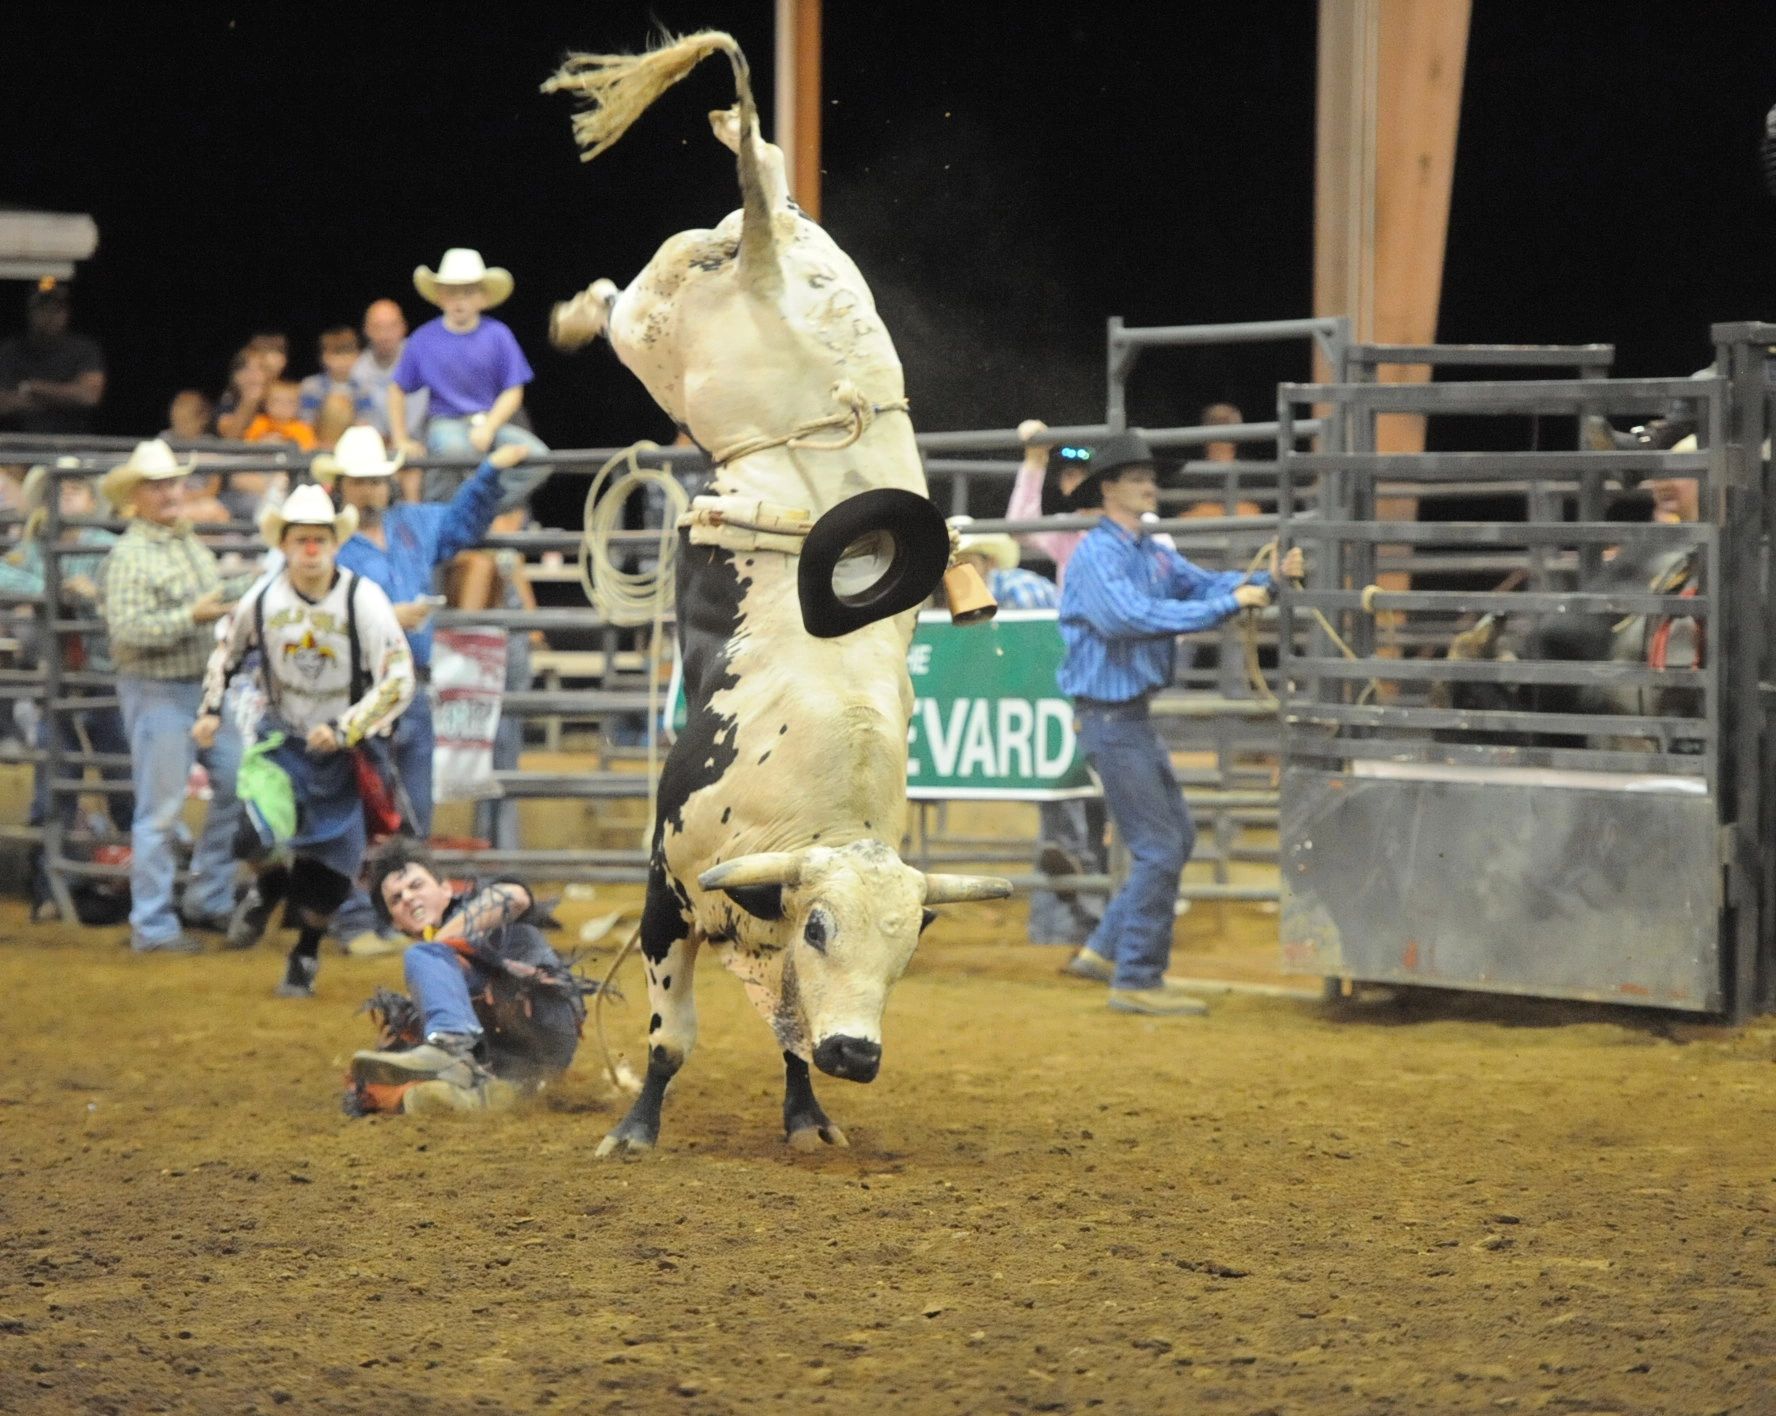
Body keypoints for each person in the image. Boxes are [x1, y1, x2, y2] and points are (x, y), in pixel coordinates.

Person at [1055, 431, 1301, 1016]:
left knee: (1172, 840)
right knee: (1161, 846)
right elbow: (1128, 618)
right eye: (1138, 478)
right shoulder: (1101, 554)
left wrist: (1265, 582)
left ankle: (1104, 951)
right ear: (1110, 488)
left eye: (1151, 477)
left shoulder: (1148, 550)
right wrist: (1233, 601)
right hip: (1112, 720)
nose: (1150, 485)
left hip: (1124, 719)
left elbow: (1203, 585)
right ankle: (1137, 979)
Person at [194, 483, 415, 996]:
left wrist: (346, 728)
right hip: (283, 741)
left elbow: (400, 676)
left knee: (331, 871)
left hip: (344, 753)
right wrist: (209, 708)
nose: (311, 550)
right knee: (251, 834)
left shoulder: (364, 599)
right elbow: (226, 650)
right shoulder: (264, 597)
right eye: (301, 540)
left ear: (335, 544)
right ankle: (270, 882)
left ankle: (305, 954)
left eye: (320, 539)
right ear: (284, 544)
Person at [312, 426, 531, 944]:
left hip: (410, 688)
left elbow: (462, 522)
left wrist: (491, 472)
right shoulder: (330, 543)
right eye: (360, 480)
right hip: (358, 690)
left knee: (413, 810)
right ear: (342, 485)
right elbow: (320, 613)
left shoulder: (411, 525)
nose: (370, 489)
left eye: (377, 479)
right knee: (358, 805)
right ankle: (356, 919)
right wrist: (390, 617)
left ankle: (396, 918)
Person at [98, 439, 255, 953]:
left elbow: (204, 603)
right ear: (136, 495)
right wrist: (192, 617)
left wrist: (248, 587)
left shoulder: (186, 542)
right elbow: (126, 630)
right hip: (157, 689)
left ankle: (206, 898)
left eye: (172, 482)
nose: (169, 492)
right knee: (161, 811)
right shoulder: (129, 556)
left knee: (239, 784)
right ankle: (152, 923)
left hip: (200, 688)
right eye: (157, 484)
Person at [342, 837, 587, 1113]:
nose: (408, 898)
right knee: (386, 1074)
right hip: (521, 1059)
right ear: (396, 923)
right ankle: (486, 1094)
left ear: (446, 888)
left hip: (543, 1016)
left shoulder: (474, 908)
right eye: (396, 899)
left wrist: (438, 943)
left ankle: (451, 1048)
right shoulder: (433, 974)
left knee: (423, 957)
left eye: (416, 885)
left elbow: (515, 896)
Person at [949, 518, 1101, 950]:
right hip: (1029, 718)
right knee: (1065, 821)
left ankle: (1080, 924)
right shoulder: (961, 596)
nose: (956, 568)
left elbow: (1052, 651)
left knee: (1067, 820)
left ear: (984, 559)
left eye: (962, 559)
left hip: (1060, 710)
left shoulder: (1021, 592)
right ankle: (1064, 925)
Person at [0, 462, 130, 918]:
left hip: (101, 679)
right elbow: (4, 574)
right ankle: (48, 890)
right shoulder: (34, 548)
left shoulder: (110, 549)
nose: (67, 498)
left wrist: (91, 595)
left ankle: (136, 883)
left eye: (76, 489)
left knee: (123, 782)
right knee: (52, 790)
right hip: (60, 684)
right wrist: (57, 590)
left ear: (91, 499)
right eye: (59, 491)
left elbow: (124, 597)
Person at [388, 248, 549, 510]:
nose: (459, 300)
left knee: (539, 459)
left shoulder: (499, 335)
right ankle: (454, 514)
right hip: (446, 423)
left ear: (482, 297)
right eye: (452, 292)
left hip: (488, 422)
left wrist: (489, 426)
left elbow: (513, 390)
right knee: (456, 451)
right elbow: (397, 389)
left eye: (468, 292)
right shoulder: (423, 339)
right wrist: (401, 438)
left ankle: (477, 509)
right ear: (440, 296)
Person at [0, 284, 105, 435]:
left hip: (73, 444)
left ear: (67, 313)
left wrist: (31, 387)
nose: (49, 317)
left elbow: (88, 396)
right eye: (42, 309)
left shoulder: (84, 349)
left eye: (56, 310)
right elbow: (2, 404)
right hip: (17, 445)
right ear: (30, 312)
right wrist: (65, 399)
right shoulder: (8, 351)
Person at [352, 299, 428, 442]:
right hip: (378, 443)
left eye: (391, 326)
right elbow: (362, 416)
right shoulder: (358, 370)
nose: (384, 335)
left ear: (403, 327)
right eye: (377, 327)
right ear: (366, 329)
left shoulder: (422, 358)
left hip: (422, 441)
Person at [298, 327, 374, 447]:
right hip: (316, 445)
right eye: (336, 355)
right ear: (324, 357)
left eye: (348, 354)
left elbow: (364, 423)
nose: (342, 361)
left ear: (357, 356)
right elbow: (305, 422)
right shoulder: (311, 386)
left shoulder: (362, 388)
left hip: (350, 447)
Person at [242, 380, 316, 451]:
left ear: (298, 406)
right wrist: (262, 442)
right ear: (266, 404)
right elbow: (247, 445)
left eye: (290, 402)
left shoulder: (303, 428)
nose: (283, 406)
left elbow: (308, 450)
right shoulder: (259, 423)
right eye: (277, 401)